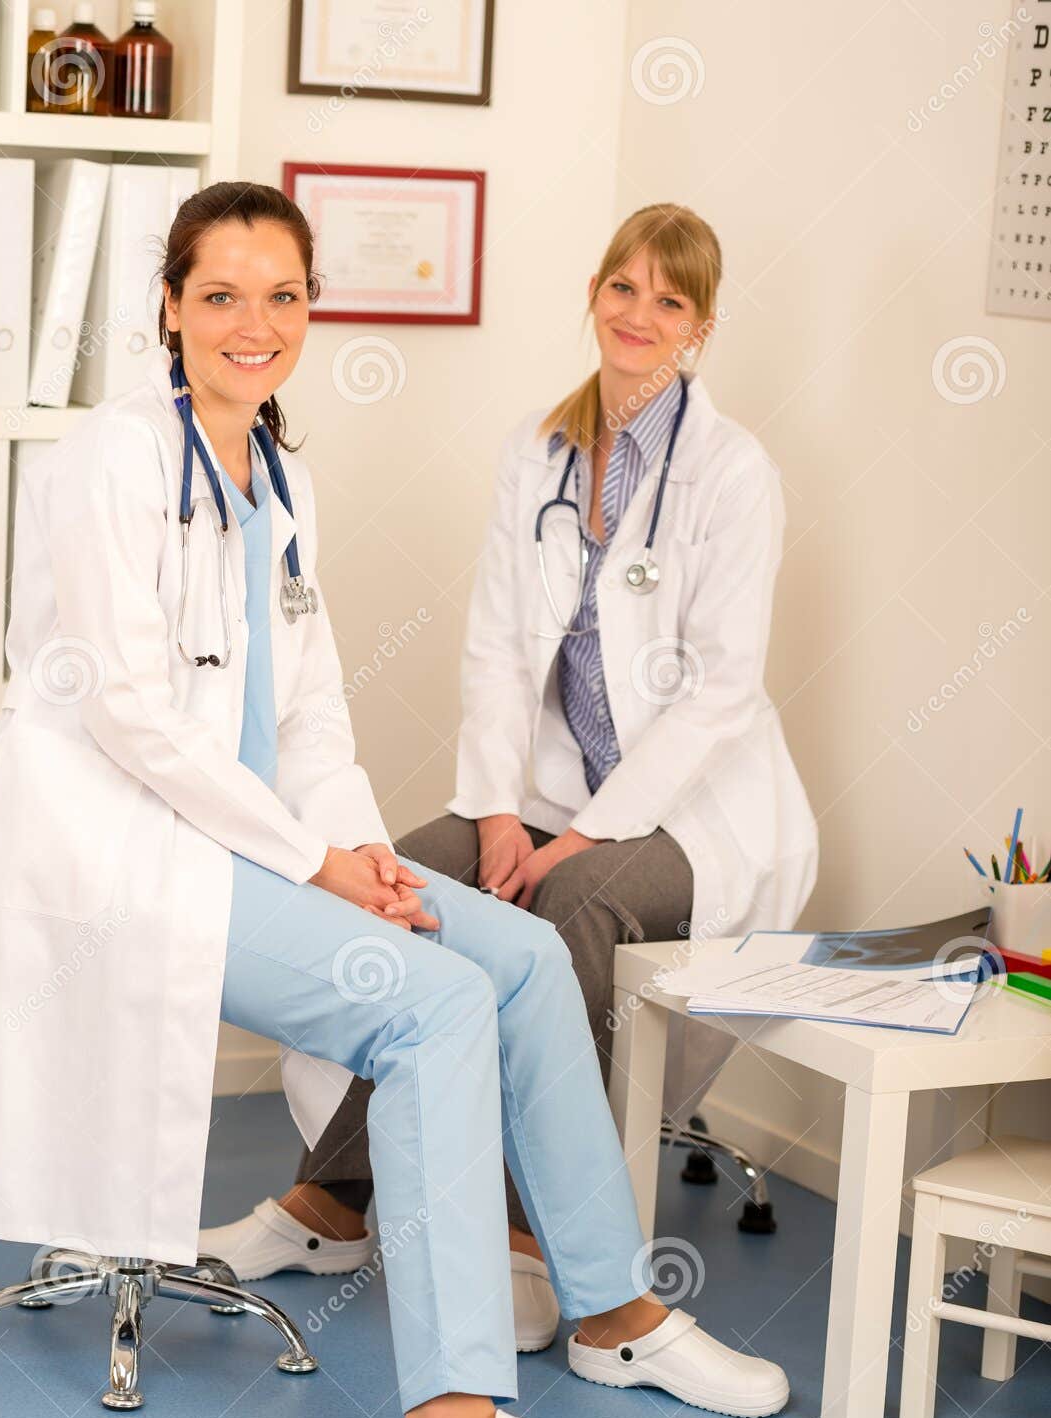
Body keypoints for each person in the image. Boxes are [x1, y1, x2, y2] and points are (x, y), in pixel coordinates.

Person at [0, 184, 789, 1418]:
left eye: (284, 296)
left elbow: (305, 706)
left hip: (256, 845)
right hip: (135, 860)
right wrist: (315, 860)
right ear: (170, 306)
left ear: (310, 312)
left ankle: (617, 1310)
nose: (256, 324)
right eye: (223, 294)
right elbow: (127, 713)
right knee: (429, 1006)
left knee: (527, 955)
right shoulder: (108, 461)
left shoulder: (275, 472)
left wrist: (360, 846)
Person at [202, 202, 818, 1352]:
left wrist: (585, 834)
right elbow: (492, 648)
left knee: (568, 908)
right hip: (534, 792)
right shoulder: (539, 449)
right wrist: (493, 810)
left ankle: (528, 1236)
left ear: (702, 327)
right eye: (622, 286)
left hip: (691, 812)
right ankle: (334, 1199)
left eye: (669, 300)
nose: (639, 314)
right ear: (595, 293)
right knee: (395, 876)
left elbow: (722, 692)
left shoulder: (734, 473)